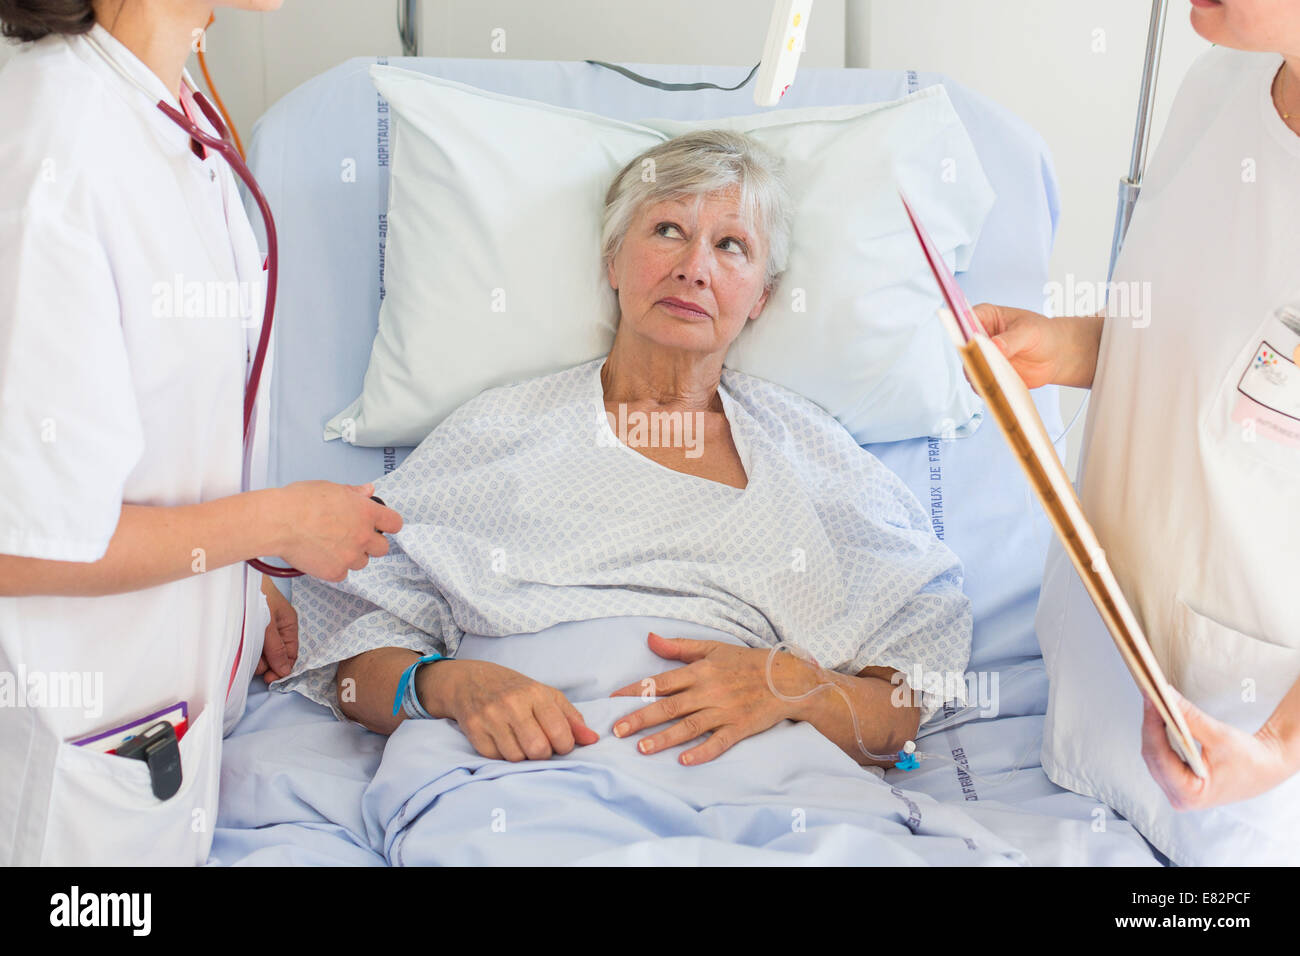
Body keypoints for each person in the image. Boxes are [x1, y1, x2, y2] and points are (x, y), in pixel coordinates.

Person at [281, 130, 974, 772]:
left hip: (752, 784)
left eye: (731, 246)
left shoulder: (809, 454)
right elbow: (344, 645)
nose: (695, 268)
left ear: (762, 295)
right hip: (514, 773)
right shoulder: (501, 431)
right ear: (613, 261)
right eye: (668, 230)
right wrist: (447, 684)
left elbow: (904, 703)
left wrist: (795, 686)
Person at [0, 0, 400, 866]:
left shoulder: (175, 106)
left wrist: (238, 592)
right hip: (67, 771)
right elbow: (21, 547)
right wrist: (277, 525)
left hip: (164, 739)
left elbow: (168, 426)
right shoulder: (50, 145)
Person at [973, 0, 1300, 860]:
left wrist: (1275, 750)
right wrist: (1067, 347)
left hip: (1243, 784)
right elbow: (1203, 342)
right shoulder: (1220, 81)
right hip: (1094, 708)